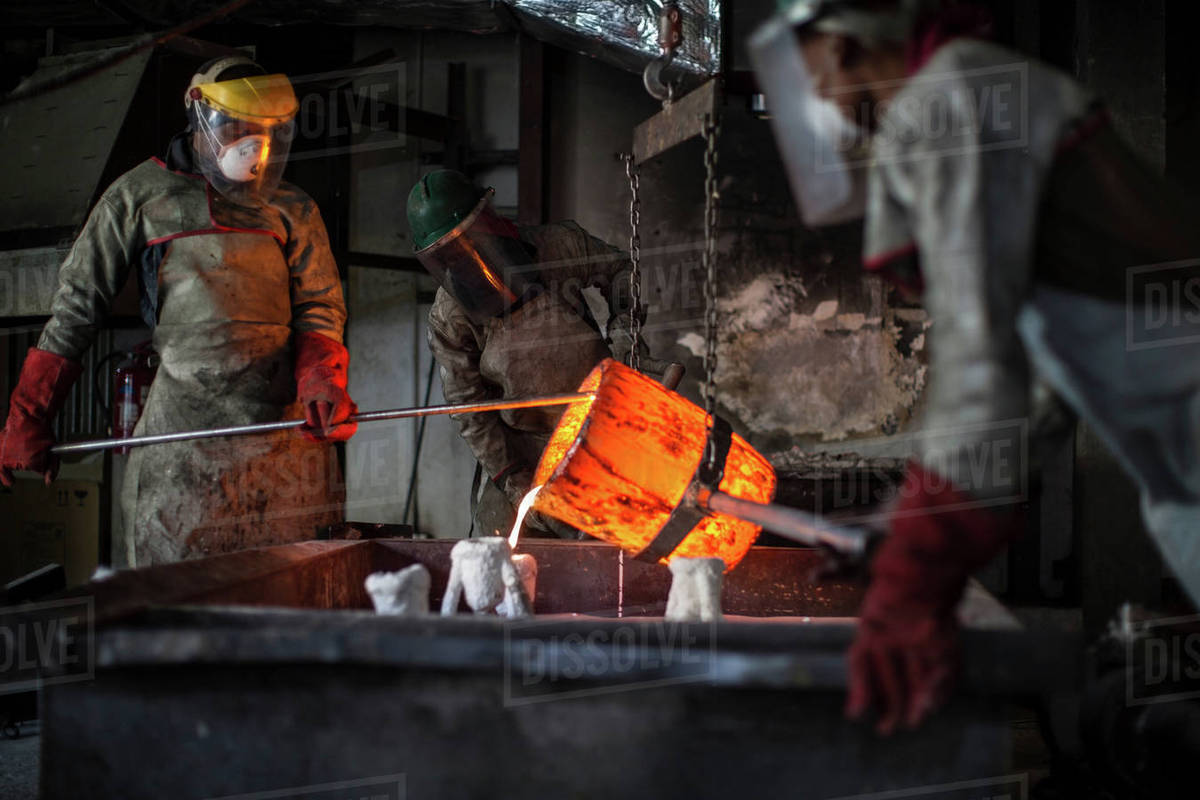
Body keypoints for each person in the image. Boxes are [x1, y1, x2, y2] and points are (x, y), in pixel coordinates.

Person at [751, 0, 1200, 734]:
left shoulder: (951, 99)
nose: (817, 101)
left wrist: (915, 576)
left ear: (834, 43)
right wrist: (909, 527)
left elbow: (978, 352)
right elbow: (1040, 376)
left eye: (806, 74)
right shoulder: (962, 93)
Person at [0, 56, 357, 565]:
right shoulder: (138, 196)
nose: (253, 145)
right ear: (198, 114)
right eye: (237, 128)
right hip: (182, 438)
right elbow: (78, 305)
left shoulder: (292, 208)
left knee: (290, 596)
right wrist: (28, 415)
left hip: (284, 434)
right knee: (177, 605)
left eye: (266, 132)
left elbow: (320, 306)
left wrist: (323, 380)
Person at [408, 169, 655, 538]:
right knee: (498, 550)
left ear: (491, 218)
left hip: (602, 424)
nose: (468, 260)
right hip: (527, 448)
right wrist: (514, 479)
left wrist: (624, 340)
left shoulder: (559, 247)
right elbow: (468, 408)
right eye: (449, 253)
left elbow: (623, 272)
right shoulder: (449, 317)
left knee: (626, 541)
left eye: (471, 241)